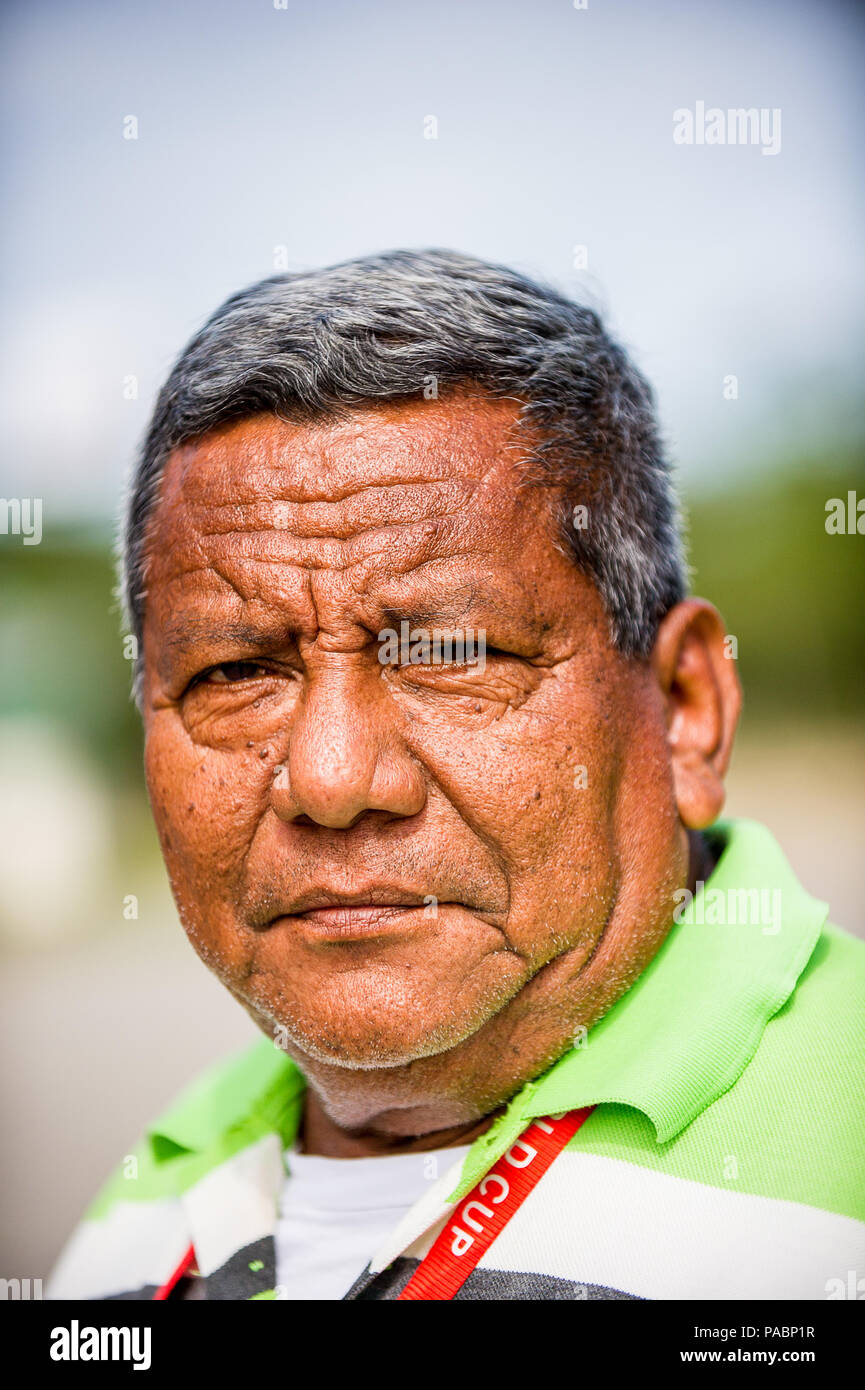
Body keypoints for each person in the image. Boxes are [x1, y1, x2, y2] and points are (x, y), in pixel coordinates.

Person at [49, 250, 865, 1300]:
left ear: (685, 710)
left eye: (448, 655)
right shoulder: (143, 1201)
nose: (331, 778)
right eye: (237, 672)